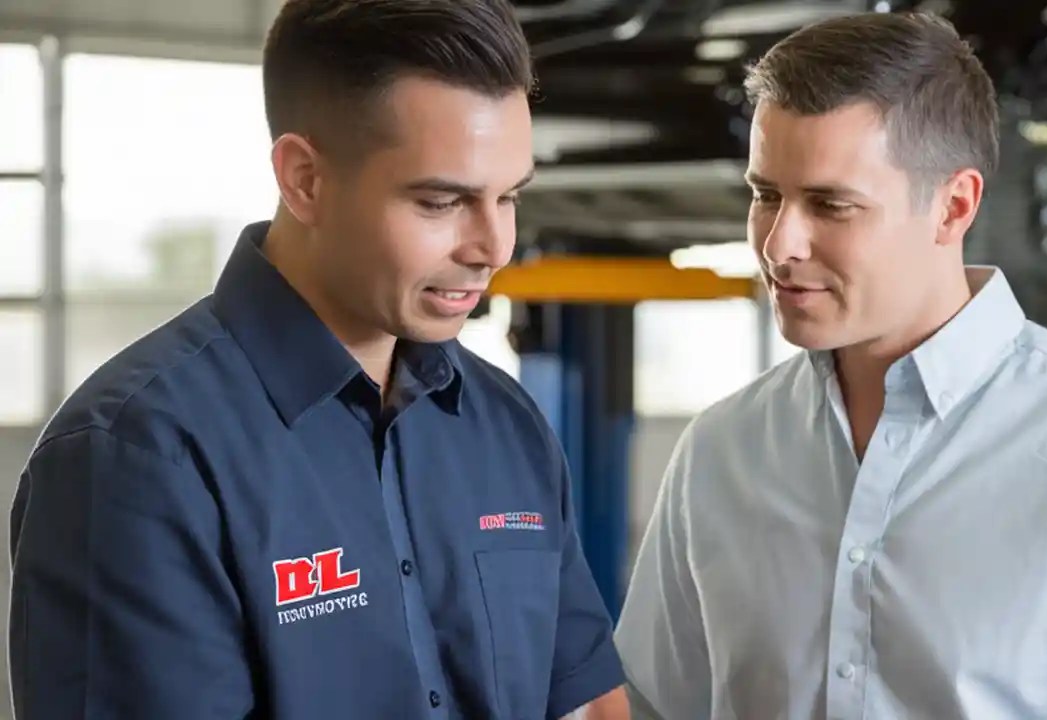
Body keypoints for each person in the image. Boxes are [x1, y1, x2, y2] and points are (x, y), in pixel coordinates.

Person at [614, 11, 1047, 720]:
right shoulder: (720, 452)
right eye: (765, 194)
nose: (779, 244)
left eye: (831, 205)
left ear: (953, 207)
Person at [8, 1, 630, 718]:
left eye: (509, 197)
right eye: (440, 201)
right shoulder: (139, 457)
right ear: (304, 179)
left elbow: (588, 703)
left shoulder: (505, 424)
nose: (492, 246)